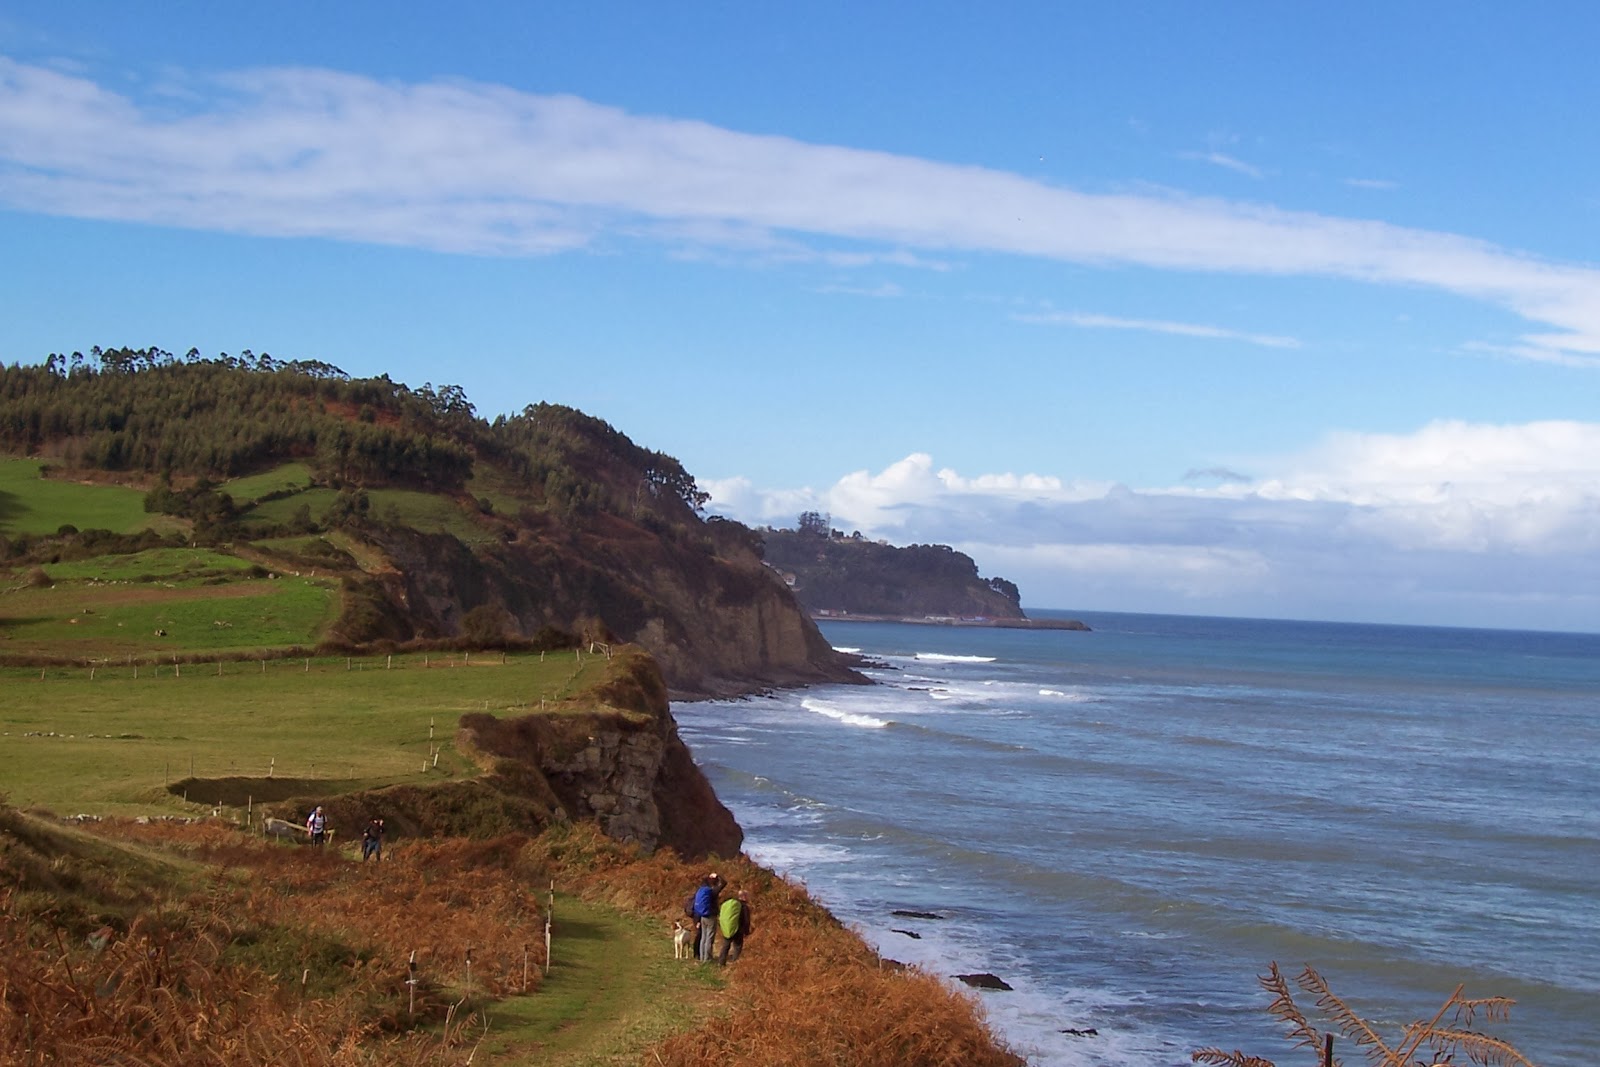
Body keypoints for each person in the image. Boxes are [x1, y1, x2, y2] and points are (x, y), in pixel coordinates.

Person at [691, 873, 722, 962]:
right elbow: (724, 883)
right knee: (709, 938)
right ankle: (707, 959)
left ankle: (702, 957)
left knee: (703, 937)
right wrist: (717, 876)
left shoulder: (701, 889)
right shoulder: (713, 892)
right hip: (710, 916)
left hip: (702, 916)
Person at [717, 889, 752, 965]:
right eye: (747, 896)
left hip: (728, 928)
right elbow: (746, 920)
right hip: (738, 930)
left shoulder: (732, 904)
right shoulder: (744, 907)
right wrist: (746, 932)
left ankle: (721, 962)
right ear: (744, 897)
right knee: (737, 946)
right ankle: (734, 963)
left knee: (725, 946)